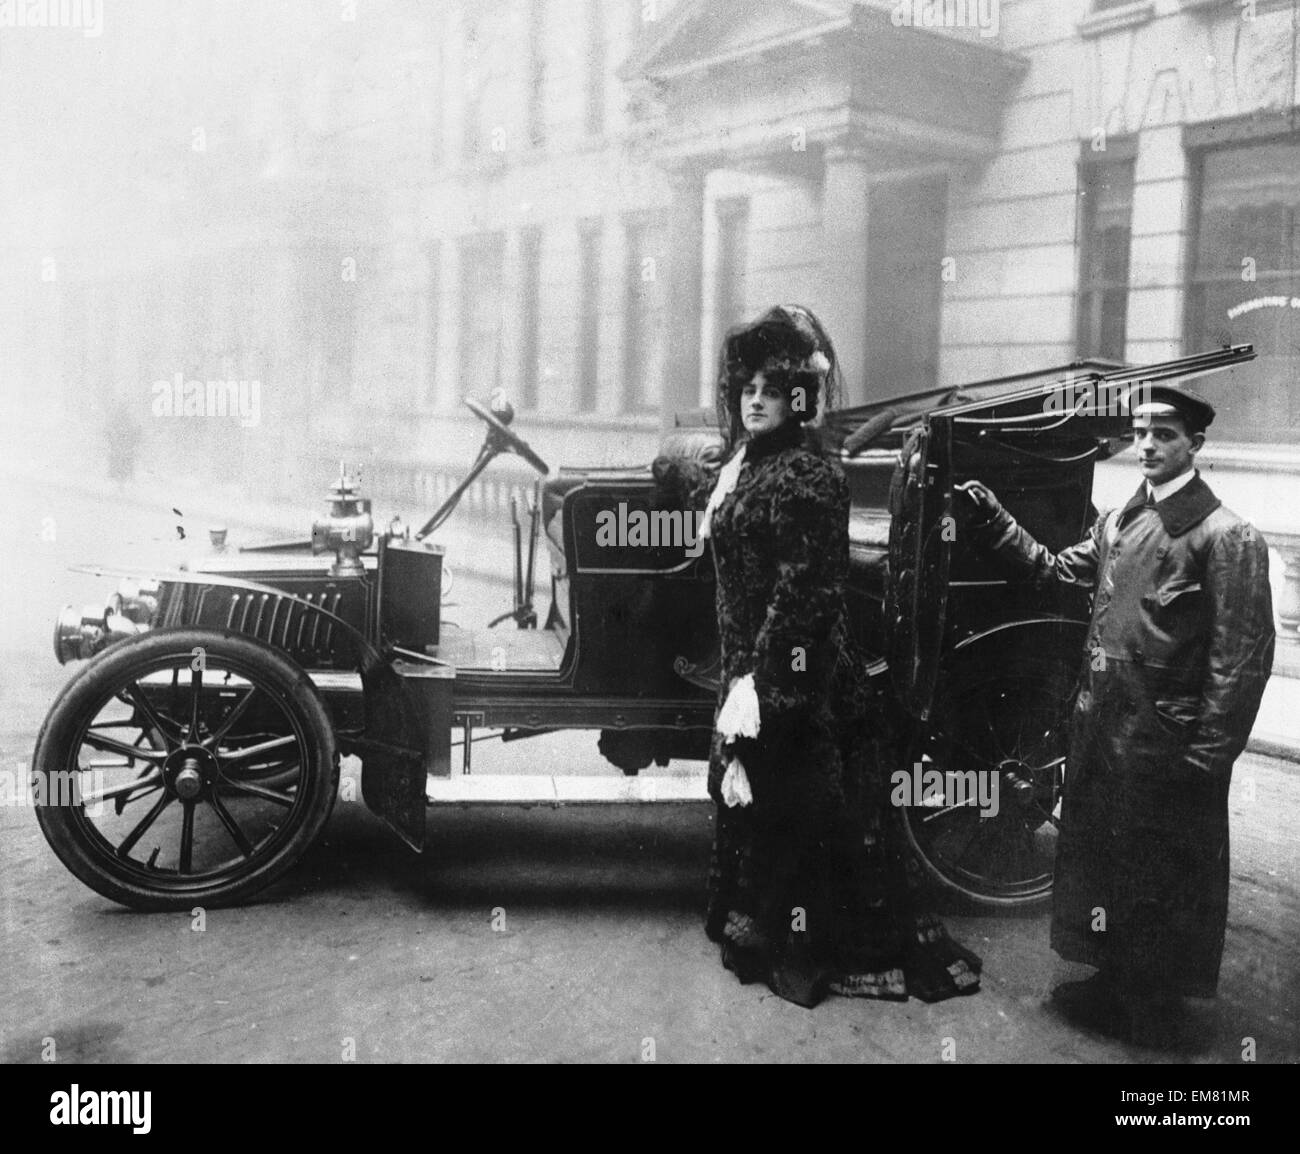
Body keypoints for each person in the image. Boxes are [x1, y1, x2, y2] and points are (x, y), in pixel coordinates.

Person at [655, 304, 981, 1008]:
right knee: (761, 803)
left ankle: (799, 944)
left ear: (799, 401)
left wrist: (763, 690)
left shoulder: (807, 476)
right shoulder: (746, 466)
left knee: (800, 809)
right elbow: (696, 491)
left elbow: (804, 596)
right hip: (752, 667)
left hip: (798, 677)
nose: (754, 402)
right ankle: (757, 929)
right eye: (747, 390)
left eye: (771, 393)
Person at [960, 385, 1274, 1045]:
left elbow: (1239, 660)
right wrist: (993, 519)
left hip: (1168, 740)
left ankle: (1157, 1007)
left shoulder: (1226, 537)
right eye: (1141, 432)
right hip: (1104, 726)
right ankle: (1111, 982)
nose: (1149, 445)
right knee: (1105, 860)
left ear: (1196, 444)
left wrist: (1208, 754)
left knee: (1163, 871)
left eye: (1165, 433)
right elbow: (1052, 572)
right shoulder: (1118, 524)